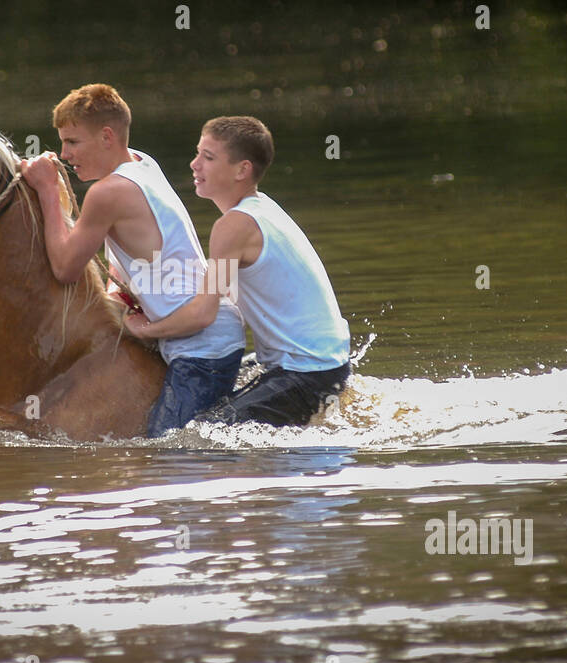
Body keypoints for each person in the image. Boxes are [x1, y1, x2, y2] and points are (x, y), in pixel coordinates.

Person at [19, 84, 246, 436]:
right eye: (62, 142)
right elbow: (126, 259)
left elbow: (65, 269)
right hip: (206, 329)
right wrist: (118, 299)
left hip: (203, 346)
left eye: (73, 142)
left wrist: (48, 191)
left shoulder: (108, 193)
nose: (64, 154)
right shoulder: (142, 163)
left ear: (107, 136)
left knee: (168, 451)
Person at [123, 115, 350, 426]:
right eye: (198, 153)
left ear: (242, 169)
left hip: (308, 373)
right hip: (325, 364)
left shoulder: (234, 226)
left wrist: (143, 330)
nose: (194, 165)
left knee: (201, 434)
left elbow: (204, 314)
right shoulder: (260, 208)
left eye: (208, 157)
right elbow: (223, 295)